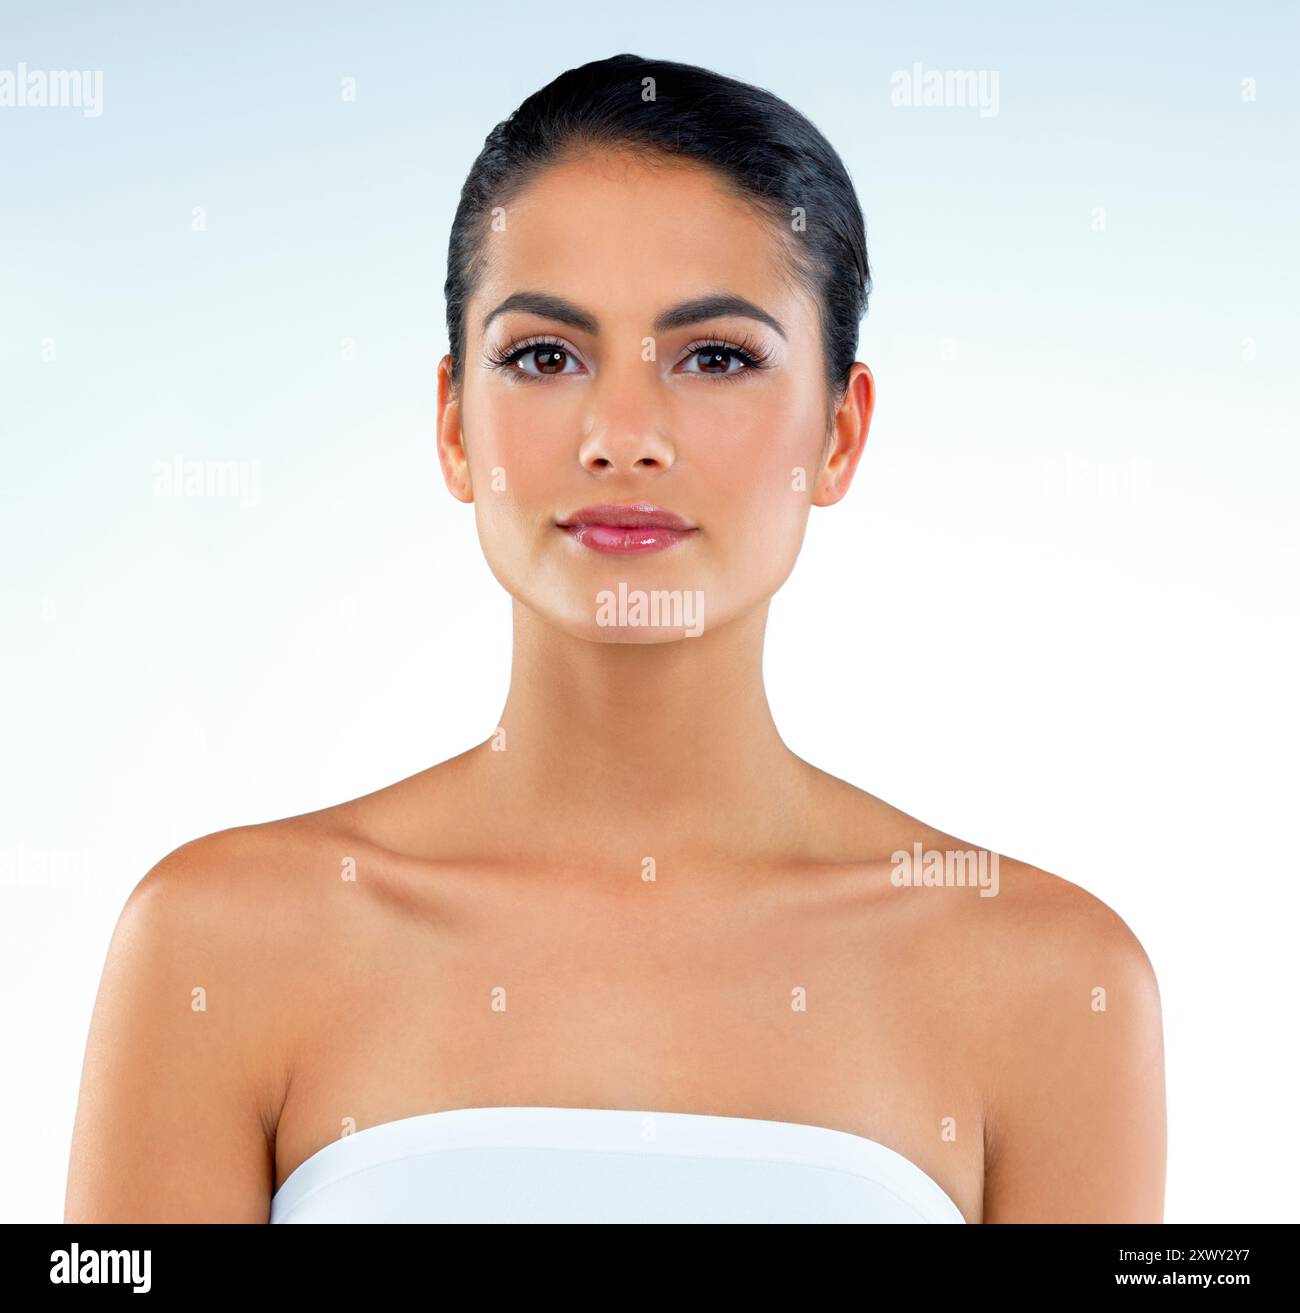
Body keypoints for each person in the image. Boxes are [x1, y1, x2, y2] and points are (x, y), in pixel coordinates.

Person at [64, 52, 1165, 1224]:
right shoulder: (218, 943)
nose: (624, 434)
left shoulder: (1052, 980)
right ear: (452, 424)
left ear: (838, 435)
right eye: (545, 354)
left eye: (716, 356)